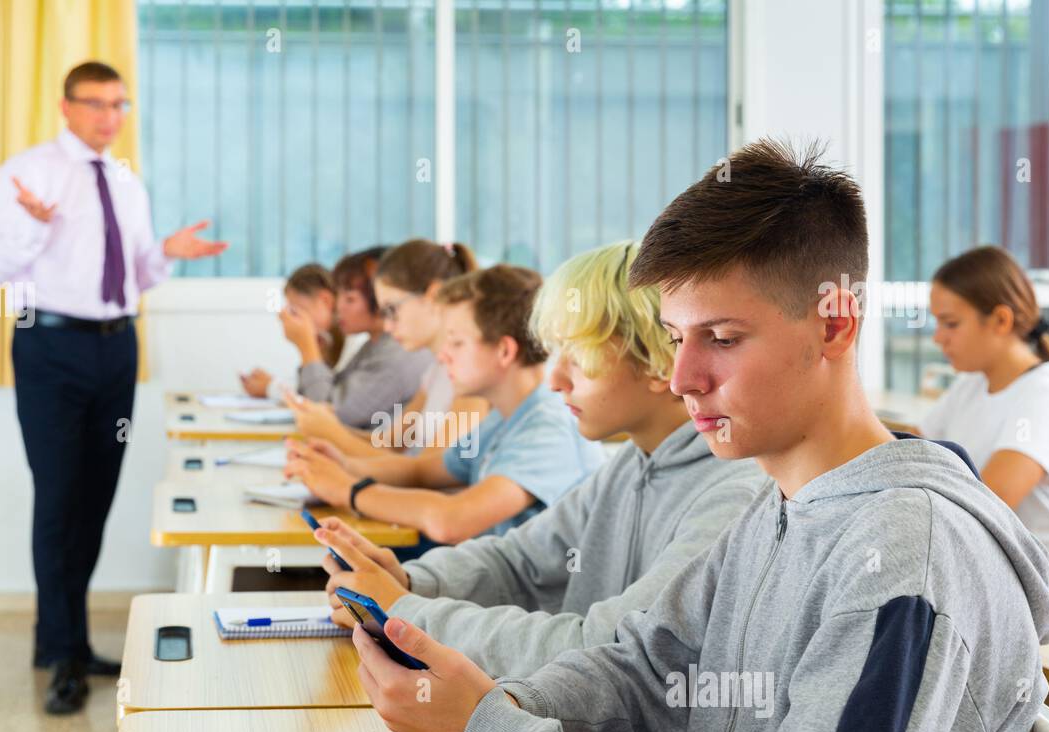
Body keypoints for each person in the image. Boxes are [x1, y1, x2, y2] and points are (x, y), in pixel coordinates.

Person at [344, 139, 1049, 732]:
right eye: (673, 338)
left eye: (720, 338)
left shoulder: (906, 561)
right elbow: (653, 671)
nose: (682, 377)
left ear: (834, 326)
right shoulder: (779, 502)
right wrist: (509, 711)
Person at [310, 240, 764, 677]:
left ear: (659, 358)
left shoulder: (729, 494)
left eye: (579, 356)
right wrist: (410, 582)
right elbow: (518, 562)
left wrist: (405, 611)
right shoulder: (631, 462)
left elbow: (605, 645)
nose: (556, 380)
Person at [0, 61, 228, 714]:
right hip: (51, 347)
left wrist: (167, 250)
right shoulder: (26, 172)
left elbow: (136, 273)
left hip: (118, 347)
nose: (109, 117)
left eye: (120, 104)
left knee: (95, 497)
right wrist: (37, 221)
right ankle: (62, 652)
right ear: (66, 107)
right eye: (96, 104)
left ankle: (65, 638)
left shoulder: (125, 181)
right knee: (58, 498)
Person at [285, 265, 603, 544]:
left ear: (504, 352)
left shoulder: (548, 427)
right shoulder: (506, 418)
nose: (442, 355)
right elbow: (421, 470)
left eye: (457, 342)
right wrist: (342, 464)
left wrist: (348, 490)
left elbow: (451, 521)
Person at [920, 245, 1049, 565]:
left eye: (950, 323)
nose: (938, 338)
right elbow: (911, 448)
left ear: (1001, 320)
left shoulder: (1048, 394)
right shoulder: (972, 385)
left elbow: (988, 503)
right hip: (994, 563)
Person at [285, 238, 487, 459]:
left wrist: (332, 432)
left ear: (433, 296)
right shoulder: (436, 371)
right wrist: (327, 429)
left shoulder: (470, 379)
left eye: (392, 310)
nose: (388, 326)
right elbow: (390, 443)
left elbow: (427, 472)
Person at [271, 246, 433, 429]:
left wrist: (307, 347)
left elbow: (328, 415)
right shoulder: (372, 346)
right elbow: (318, 399)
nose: (338, 307)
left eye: (350, 299)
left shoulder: (397, 354)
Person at [239, 263, 352, 400]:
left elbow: (323, 399)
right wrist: (270, 384)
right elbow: (309, 387)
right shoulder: (326, 340)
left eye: (296, 310)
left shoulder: (354, 342)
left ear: (325, 300)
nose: (292, 319)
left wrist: (270, 387)